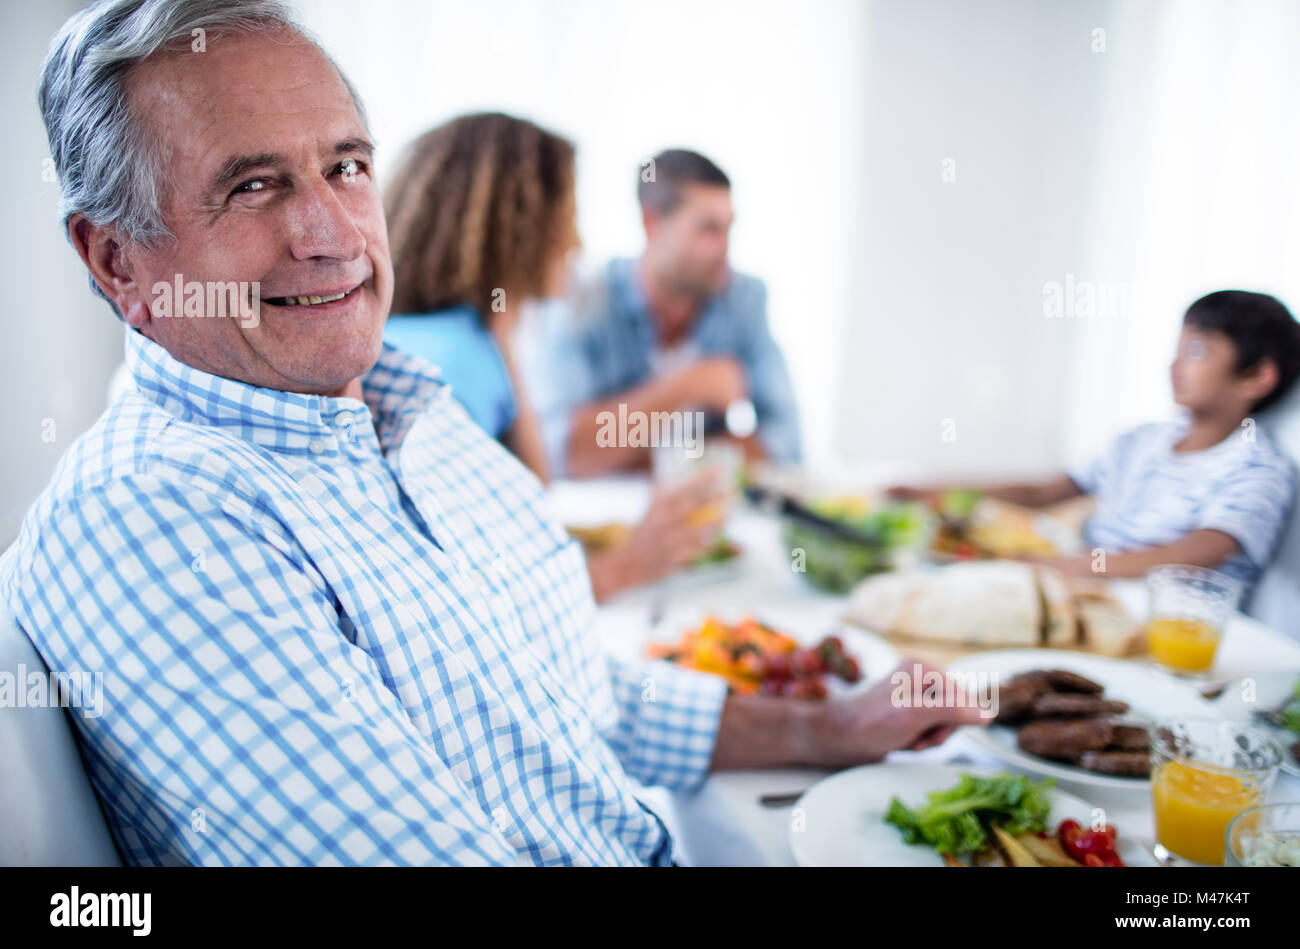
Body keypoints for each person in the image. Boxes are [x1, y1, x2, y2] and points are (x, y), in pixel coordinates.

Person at [2, 0, 987, 866]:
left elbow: (551, 695)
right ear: (117, 261)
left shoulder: (401, 407)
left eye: (346, 166)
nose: (334, 231)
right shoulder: (154, 517)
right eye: (253, 186)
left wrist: (830, 724)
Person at [381, 113, 724, 601]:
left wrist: (505, 328)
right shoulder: (452, 364)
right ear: (514, 227)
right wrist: (628, 565)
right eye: (564, 218)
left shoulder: (475, 338)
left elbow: (522, 512)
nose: (576, 242)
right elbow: (469, 593)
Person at [893, 291, 1300, 590]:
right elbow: (1043, 491)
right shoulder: (1139, 441)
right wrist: (932, 488)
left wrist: (1075, 566)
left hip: (1160, 622)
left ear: (1256, 377)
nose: (1174, 364)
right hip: (1082, 586)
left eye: (1196, 350)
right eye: (1176, 348)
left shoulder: (1258, 467)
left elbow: (1200, 551)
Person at [523, 148, 803, 479]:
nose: (724, 248)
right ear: (651, 223)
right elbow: (559, 452)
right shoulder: (584, 300)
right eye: (708, 229)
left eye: (729, 228)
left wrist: (646, 453)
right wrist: (690, 385)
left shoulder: (745, 299)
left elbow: (787, 444)